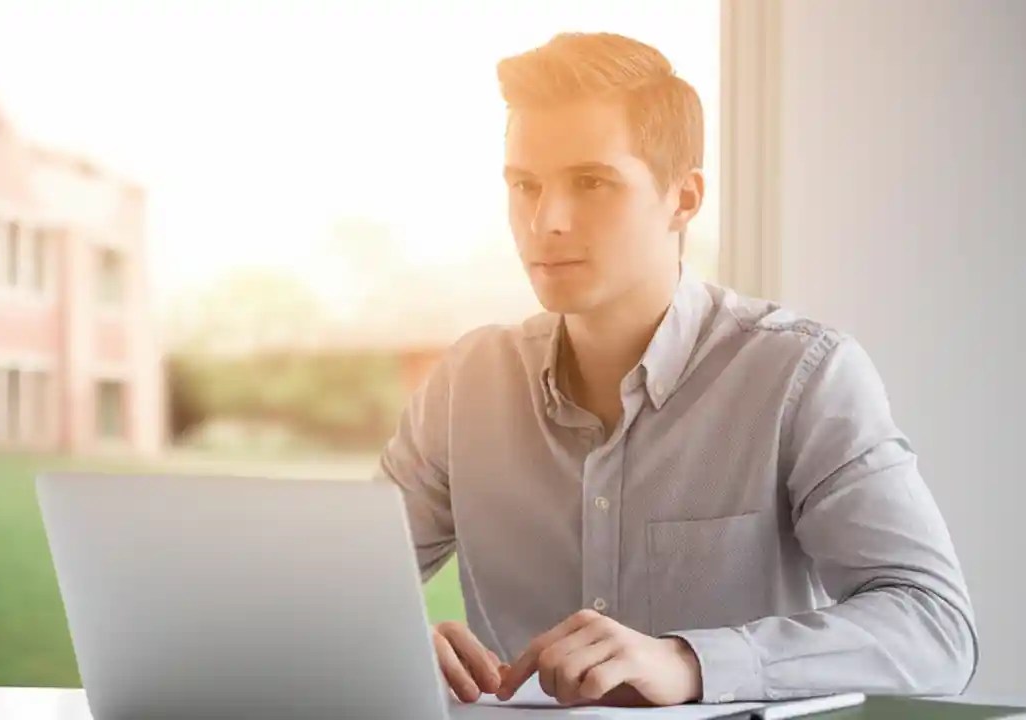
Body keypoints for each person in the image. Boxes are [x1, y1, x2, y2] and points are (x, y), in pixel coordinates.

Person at [373, 32, 979, 708]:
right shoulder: (467, 385)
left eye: (591, 182)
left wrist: (690, 662)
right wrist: (389, 640)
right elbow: (330, 595)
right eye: (526, 185)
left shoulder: (800, 376)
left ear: (683, 198)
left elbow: (935, 631)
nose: (547, 220)